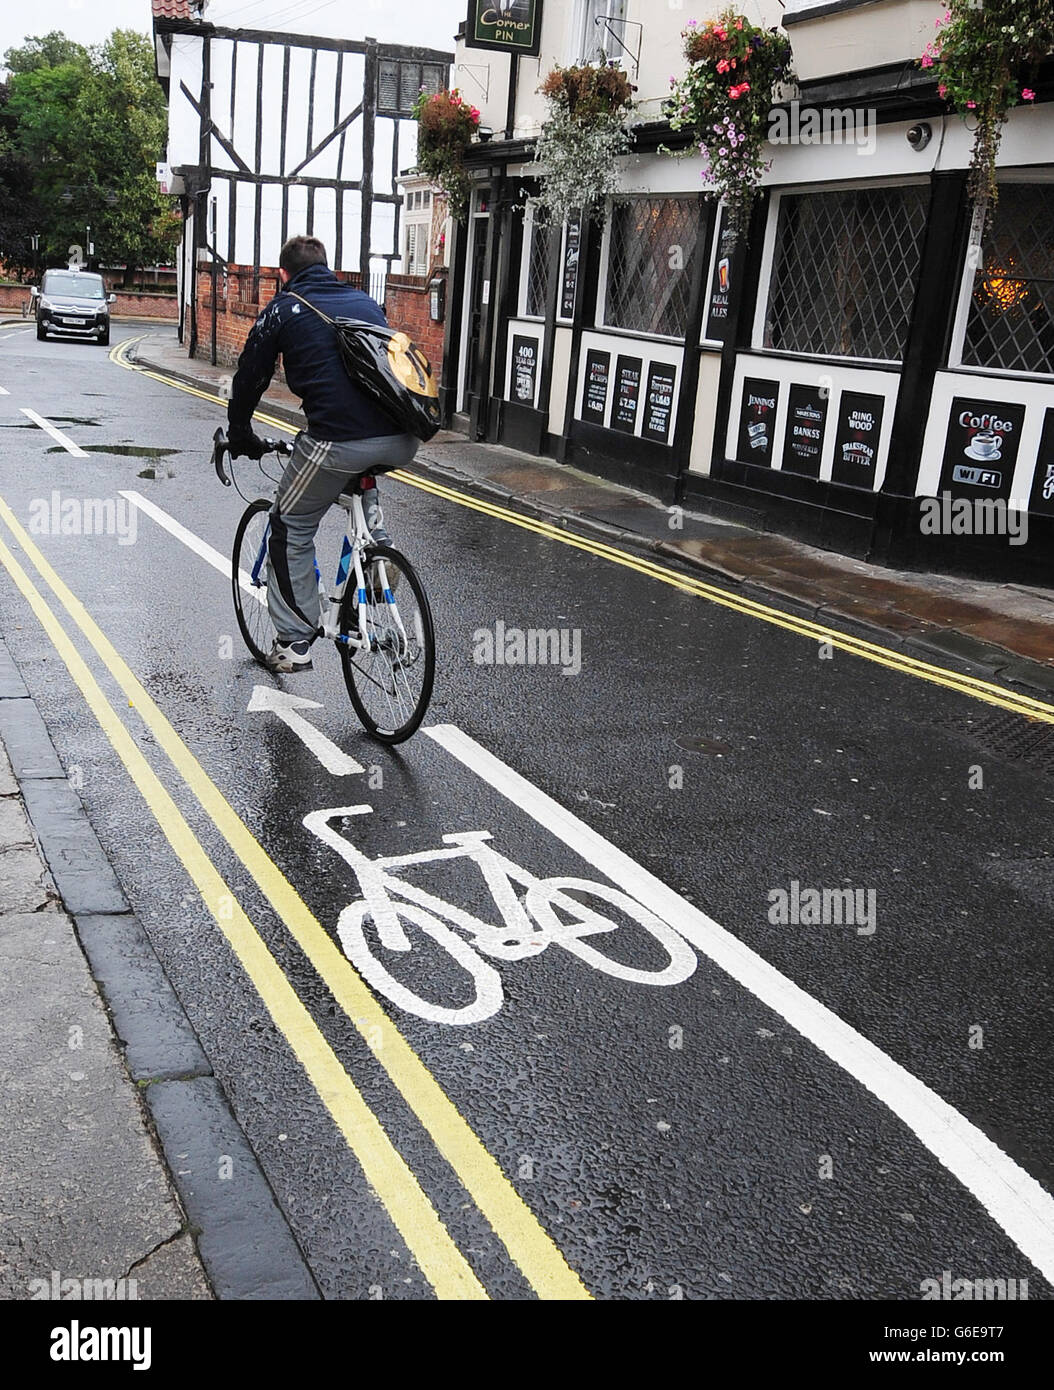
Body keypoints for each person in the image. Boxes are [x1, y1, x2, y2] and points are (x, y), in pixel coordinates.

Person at [227, 234, 418, 672]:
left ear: (282, 274)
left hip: (336, 441)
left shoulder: (283, 308)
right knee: (358, 476)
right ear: (329, 267)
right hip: (403, 439)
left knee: (289, 522)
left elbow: (250, 377)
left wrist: (240, 433)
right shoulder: (366, 302)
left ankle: (294, 643)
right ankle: (377, 554)